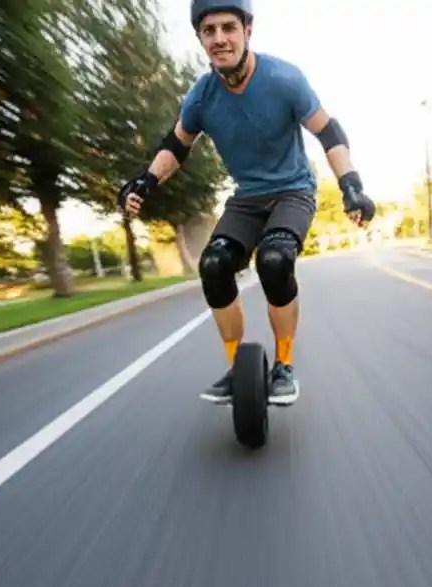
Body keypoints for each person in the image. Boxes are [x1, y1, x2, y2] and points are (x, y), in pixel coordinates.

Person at [118, 0, 375, 406]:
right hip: (246, 198)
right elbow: (176, 144)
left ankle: (284, 366)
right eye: (209, 31)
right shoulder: (201, 98)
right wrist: (147, 180)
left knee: (274, 260)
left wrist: (351, 185)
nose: (219, 38)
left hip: (293, 190)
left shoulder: (284, 79)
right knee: (214, 266)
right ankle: (239, 368)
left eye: (228, 28)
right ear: (201, 39)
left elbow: (329, 131)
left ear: (247, 30)